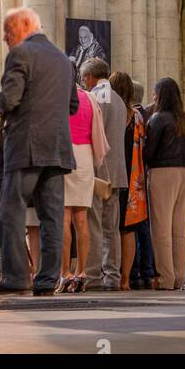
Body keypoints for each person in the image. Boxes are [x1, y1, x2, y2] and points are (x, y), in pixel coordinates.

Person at [0, 8, 79, 295]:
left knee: (10, 213)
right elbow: (72, 106)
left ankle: (16, 278)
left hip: (26, 146)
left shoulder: (21, 54)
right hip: (57, 148)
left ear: (27, 24)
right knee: (52, 218)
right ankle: (46, 282)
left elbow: (10, 99)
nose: (5, 38)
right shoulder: (64, 61)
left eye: (8, 30)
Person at [145, 77, 185, 291]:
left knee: (161, 229)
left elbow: (149, 153)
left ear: (161, 95)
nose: (154, 97)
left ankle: (166, 279)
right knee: (180, 229)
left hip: (163, 173)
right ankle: (179, 277)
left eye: (155, 93)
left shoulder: (158, 119)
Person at [82, 58, 128, 291]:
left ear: (90, 77)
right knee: (112, 229)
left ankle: (92, 277)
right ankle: (112, 276)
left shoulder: (94, 98)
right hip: (118, 172)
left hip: (98, 171)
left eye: (84, 79)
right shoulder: (120, 100)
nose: (84, 84)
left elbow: (90, 135)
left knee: (94, 226)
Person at [60, 84, 109, 291]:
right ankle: (81, 272)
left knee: (63, 217)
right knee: (82, 218)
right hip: (86, 155)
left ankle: (65, 273)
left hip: (63, 153)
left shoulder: (59, 93)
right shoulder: (89, 98)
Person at [110, 71, 147, 290]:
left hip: (113, 173)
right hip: (133, 177)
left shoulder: (109, 111)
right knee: (128, 229)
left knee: (111, 228)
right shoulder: (137, 116)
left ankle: (112, 276)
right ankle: (125, 280)